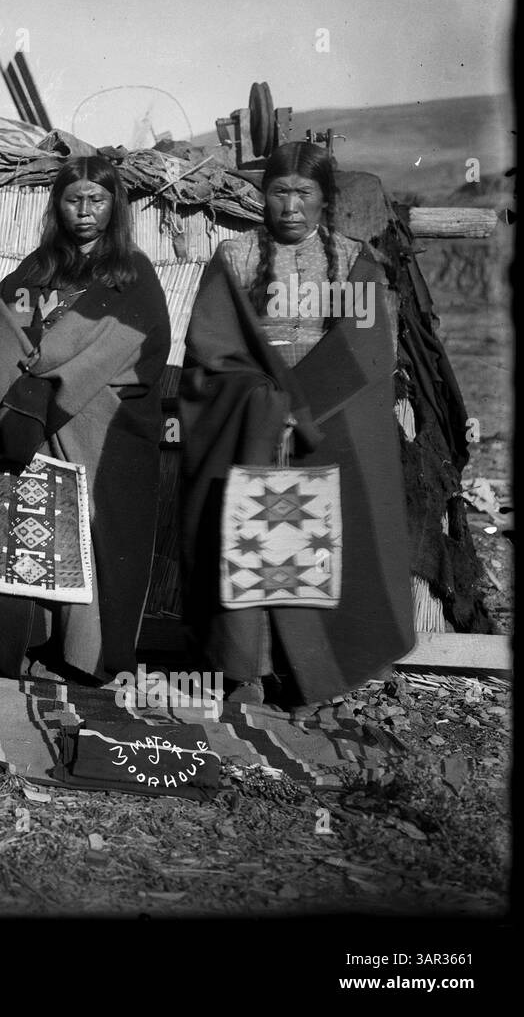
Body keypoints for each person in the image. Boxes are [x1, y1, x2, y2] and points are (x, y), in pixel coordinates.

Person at [178, 140, 414, 707]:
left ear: (323, 198)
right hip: (254, 426)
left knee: (322, 545)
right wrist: (267, 405)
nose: (290, 206)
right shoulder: (233, 260)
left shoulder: (353, 260)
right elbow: (212, 351)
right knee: (251, 541)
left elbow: (363, 354)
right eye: (278, 192)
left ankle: (322, 669)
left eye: (303, 193)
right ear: (263, 197)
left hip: (327, 428)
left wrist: (300, 410)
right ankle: (249, 669)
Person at [0, 156, 170, 682]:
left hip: (99, 423)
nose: (84, 211)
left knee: (92, 530)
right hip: (36, 421)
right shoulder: (34, 272)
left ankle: (83, 655)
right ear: (58, 204)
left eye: (97, 200)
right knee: (35, 527)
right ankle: (30, 645)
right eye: (73, 199)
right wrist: (28, 398)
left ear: (114, 207)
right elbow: (4, 334)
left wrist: (48, 386)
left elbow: (123, 351)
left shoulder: (133, 275)